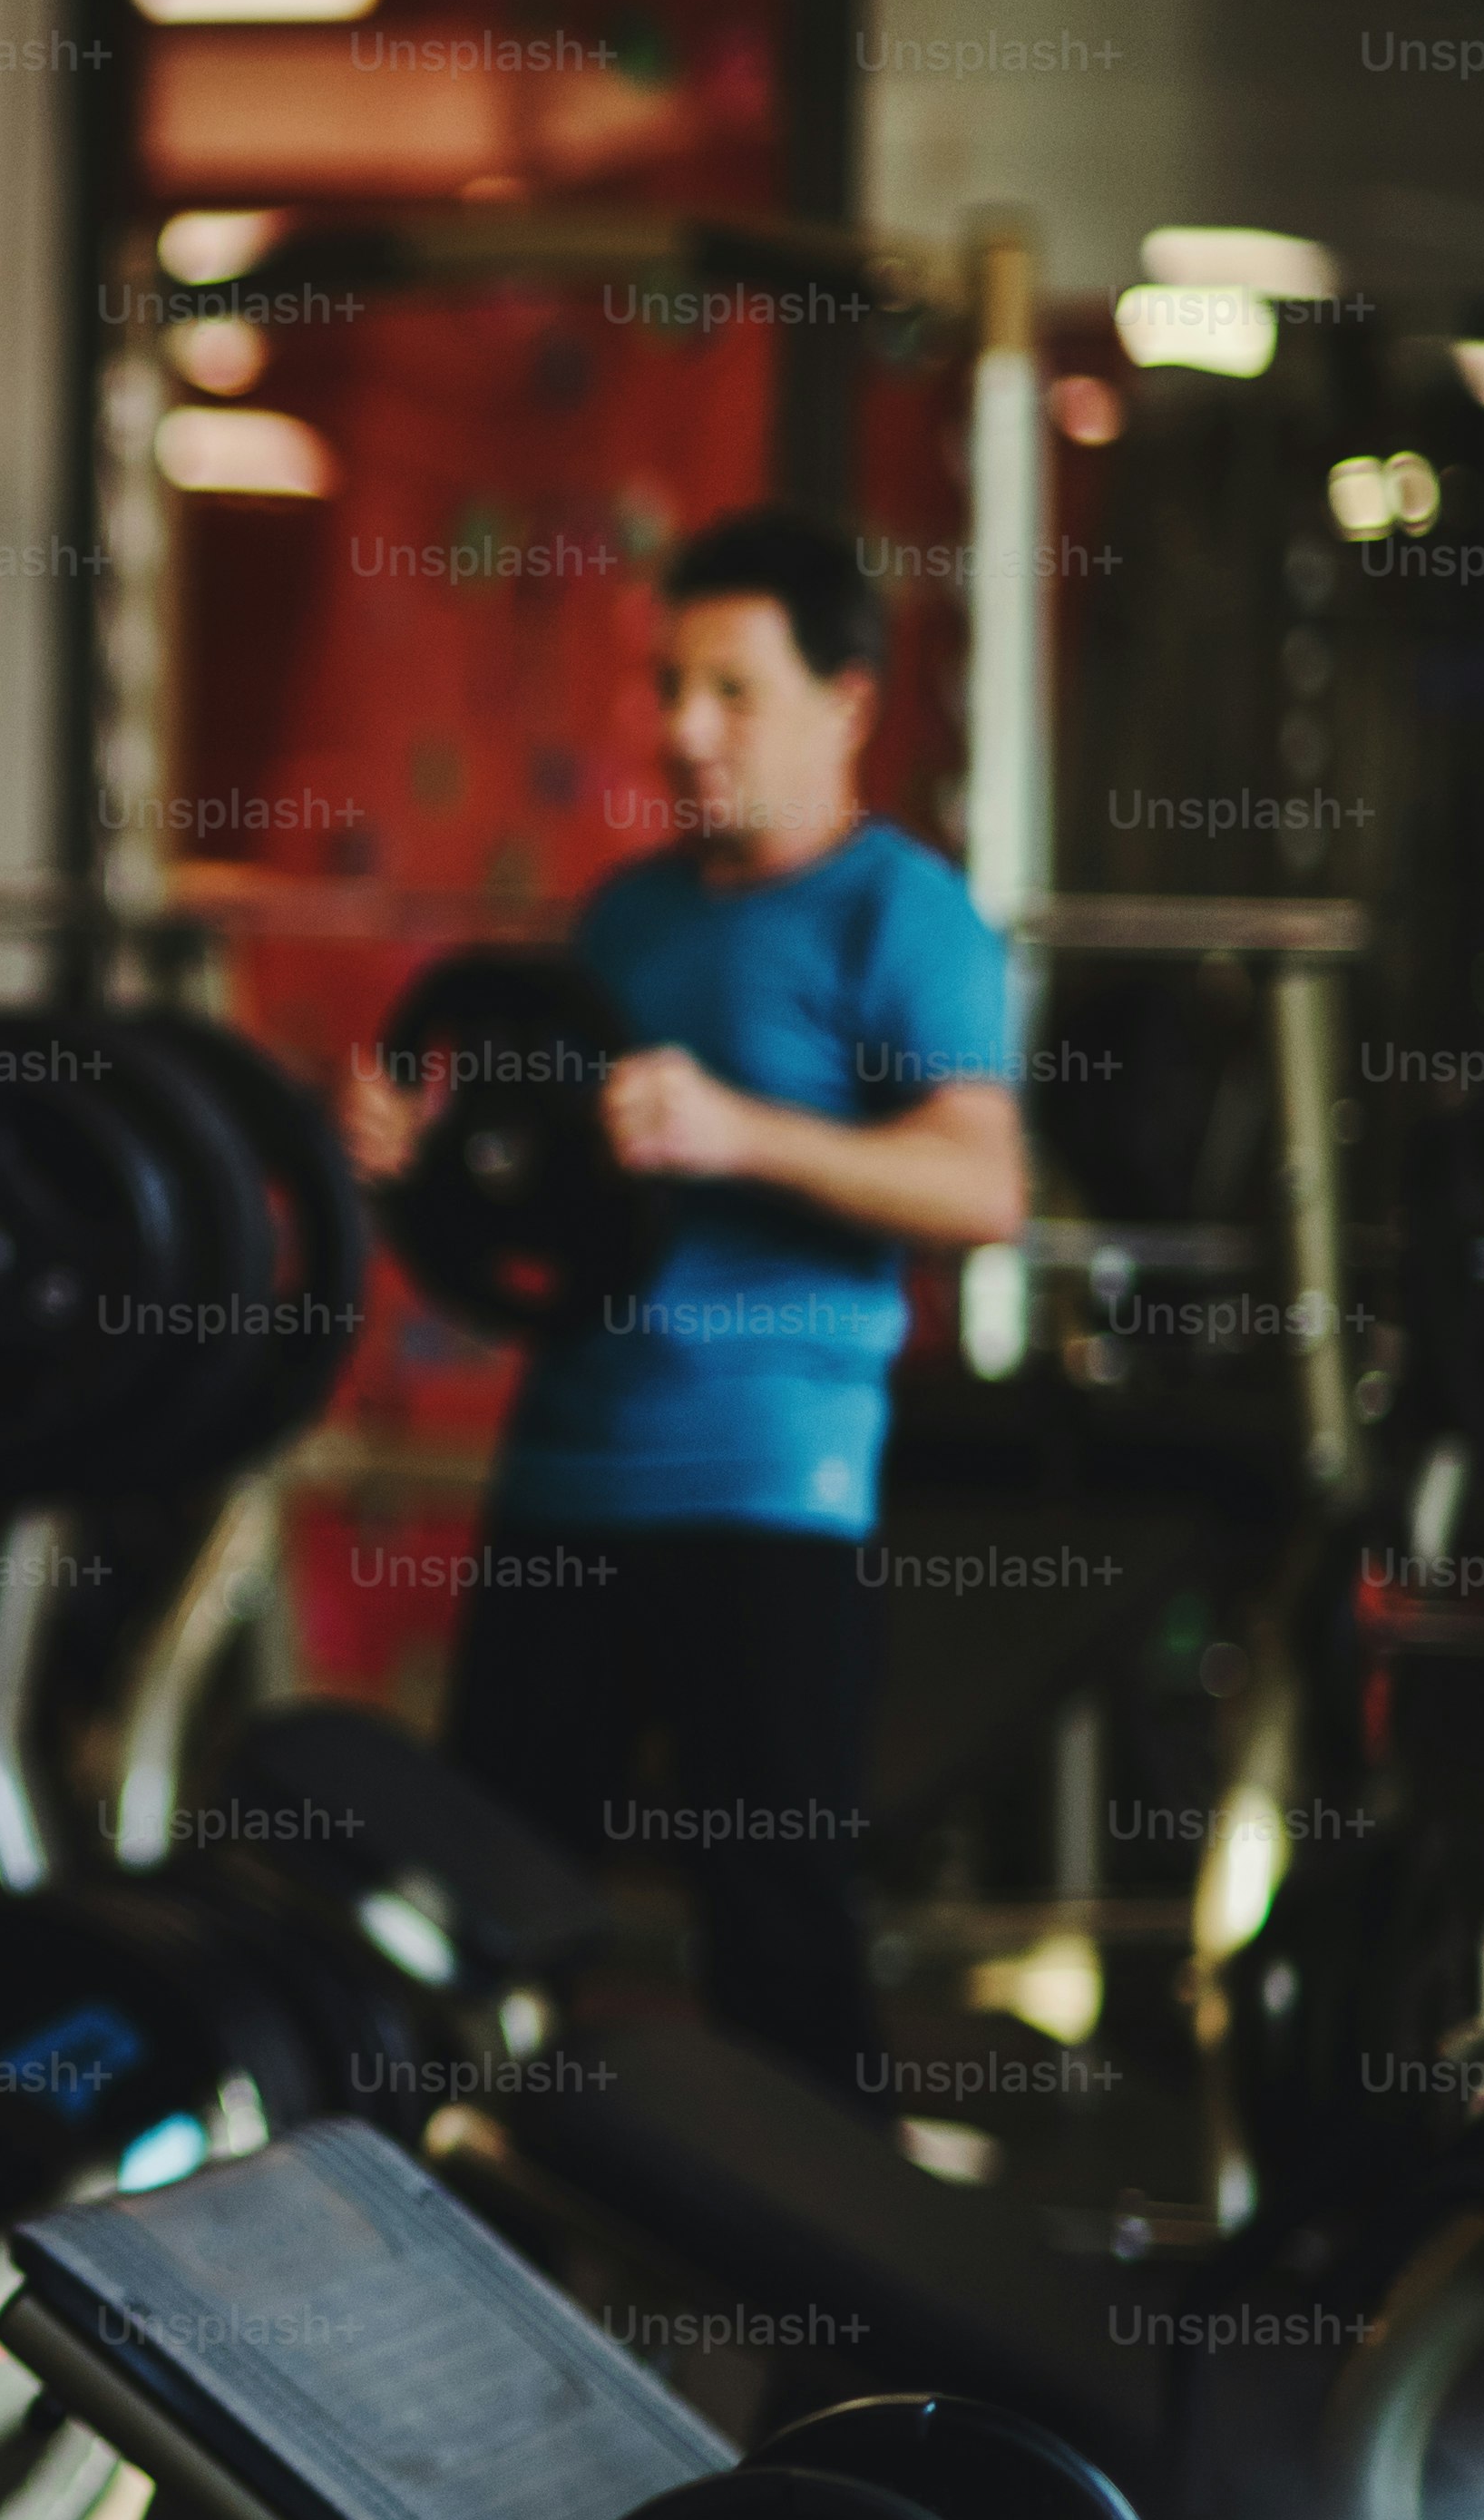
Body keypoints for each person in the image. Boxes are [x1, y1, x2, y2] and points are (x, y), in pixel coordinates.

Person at [340, 507, 1024, 2098]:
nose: (679, 728)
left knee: (774, 1943)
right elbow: (548, 1185)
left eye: (729, 689)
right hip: (565, 1471)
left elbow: (980, 1188)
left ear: (846, 697)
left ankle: (829, 2339)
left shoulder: (898, 914)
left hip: (764, 1496)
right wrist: (416, 1155)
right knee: (491, 1907)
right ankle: (489, 2280)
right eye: (666, 685)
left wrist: (739, 1129)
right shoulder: (625, 915)